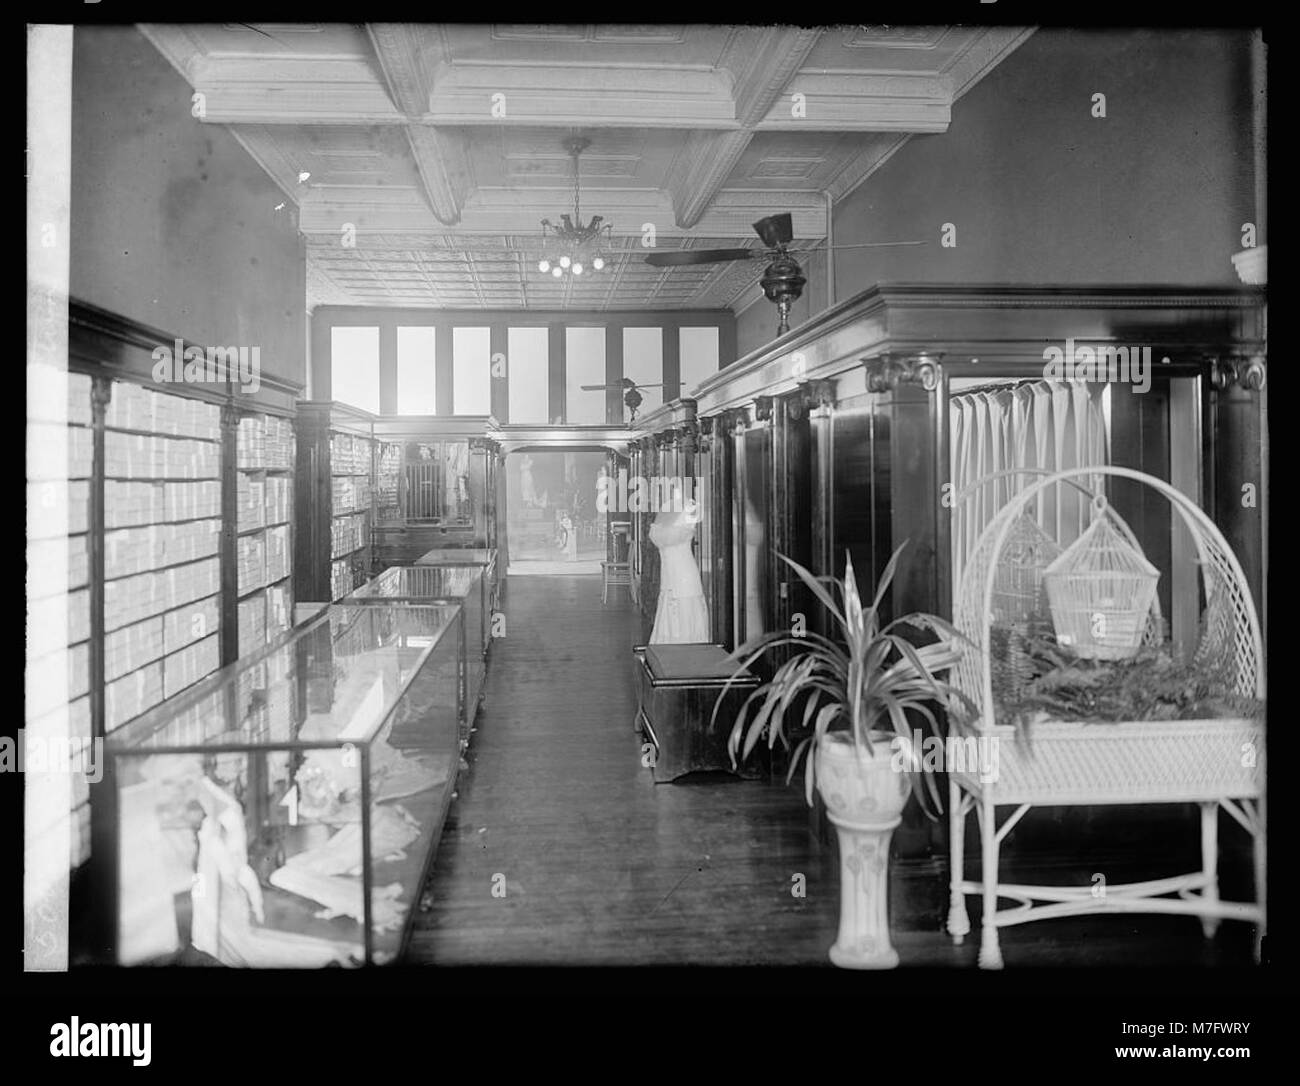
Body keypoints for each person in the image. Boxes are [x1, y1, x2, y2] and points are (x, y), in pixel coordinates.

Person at [648, 483, 709, 643]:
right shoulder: (666, 507)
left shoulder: (691, 507)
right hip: (667, 579)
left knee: (686, 626)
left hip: (685, 577)